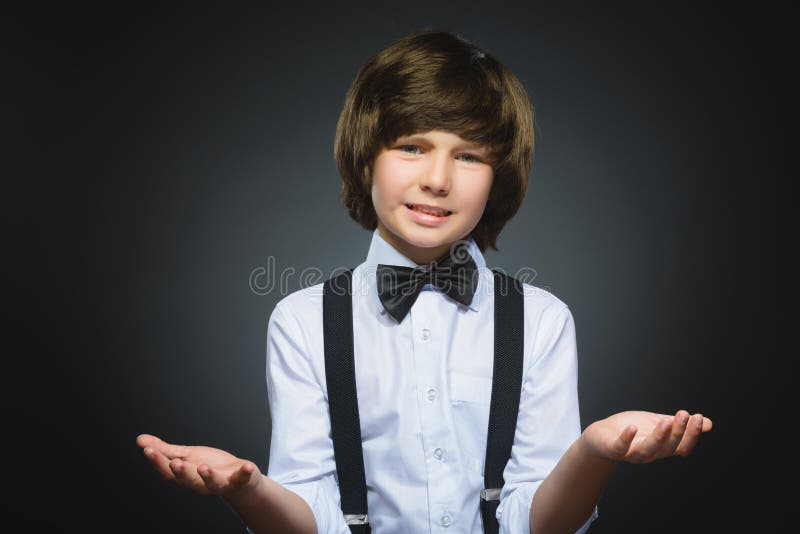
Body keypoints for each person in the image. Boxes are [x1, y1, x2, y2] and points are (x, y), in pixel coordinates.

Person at [137, 30, 712, 533]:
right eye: (411, 147)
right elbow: (317, 518)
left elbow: (534, 523)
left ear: (498, 177)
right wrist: (247, 489)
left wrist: (593, 452)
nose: (437, 179)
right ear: (367, 158)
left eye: (468, 156)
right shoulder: (302, 320)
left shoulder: (542, 321)